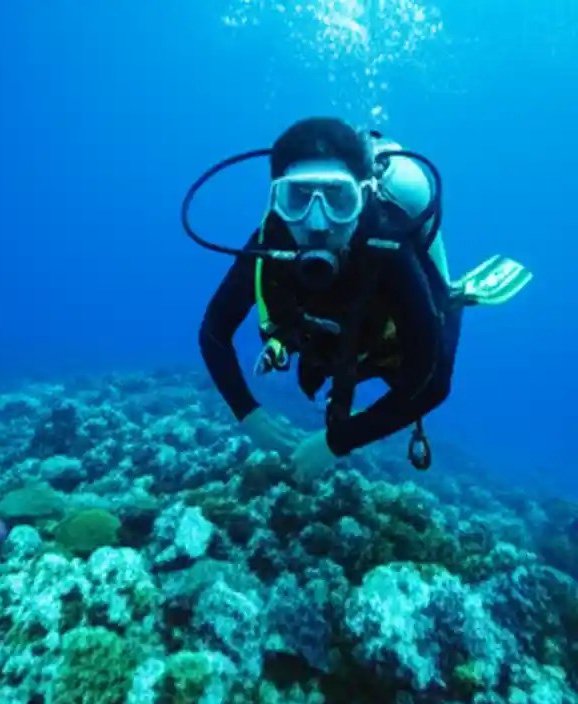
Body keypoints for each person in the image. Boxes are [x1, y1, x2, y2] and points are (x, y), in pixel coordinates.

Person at [189, 116, 532, 480]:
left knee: (433, 320)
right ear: (277, 198)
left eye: (338, 198)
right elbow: (214, 332)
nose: (318, 223)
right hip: (328, 335)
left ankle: (448, 296)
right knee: (314, 350)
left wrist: (338, 441)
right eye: (298, 198)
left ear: (363, 193)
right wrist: (249, 415)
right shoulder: (270, 242)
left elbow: (433, 381)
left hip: (381, 339)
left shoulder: (387, 245)